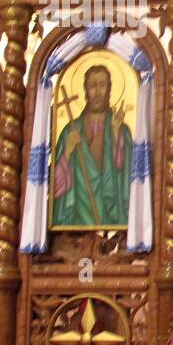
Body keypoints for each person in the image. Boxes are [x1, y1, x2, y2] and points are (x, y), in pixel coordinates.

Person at [51, 64, 134, 227]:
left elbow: (128, 176)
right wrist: (67, 152)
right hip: (77, 217)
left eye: (102, 85)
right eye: (92, 86)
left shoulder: (121, 130)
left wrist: (117, 135)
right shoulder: (70, 132)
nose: (97, 92)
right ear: (85, 90)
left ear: (109, 89)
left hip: (112, 216)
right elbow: (55, 188)